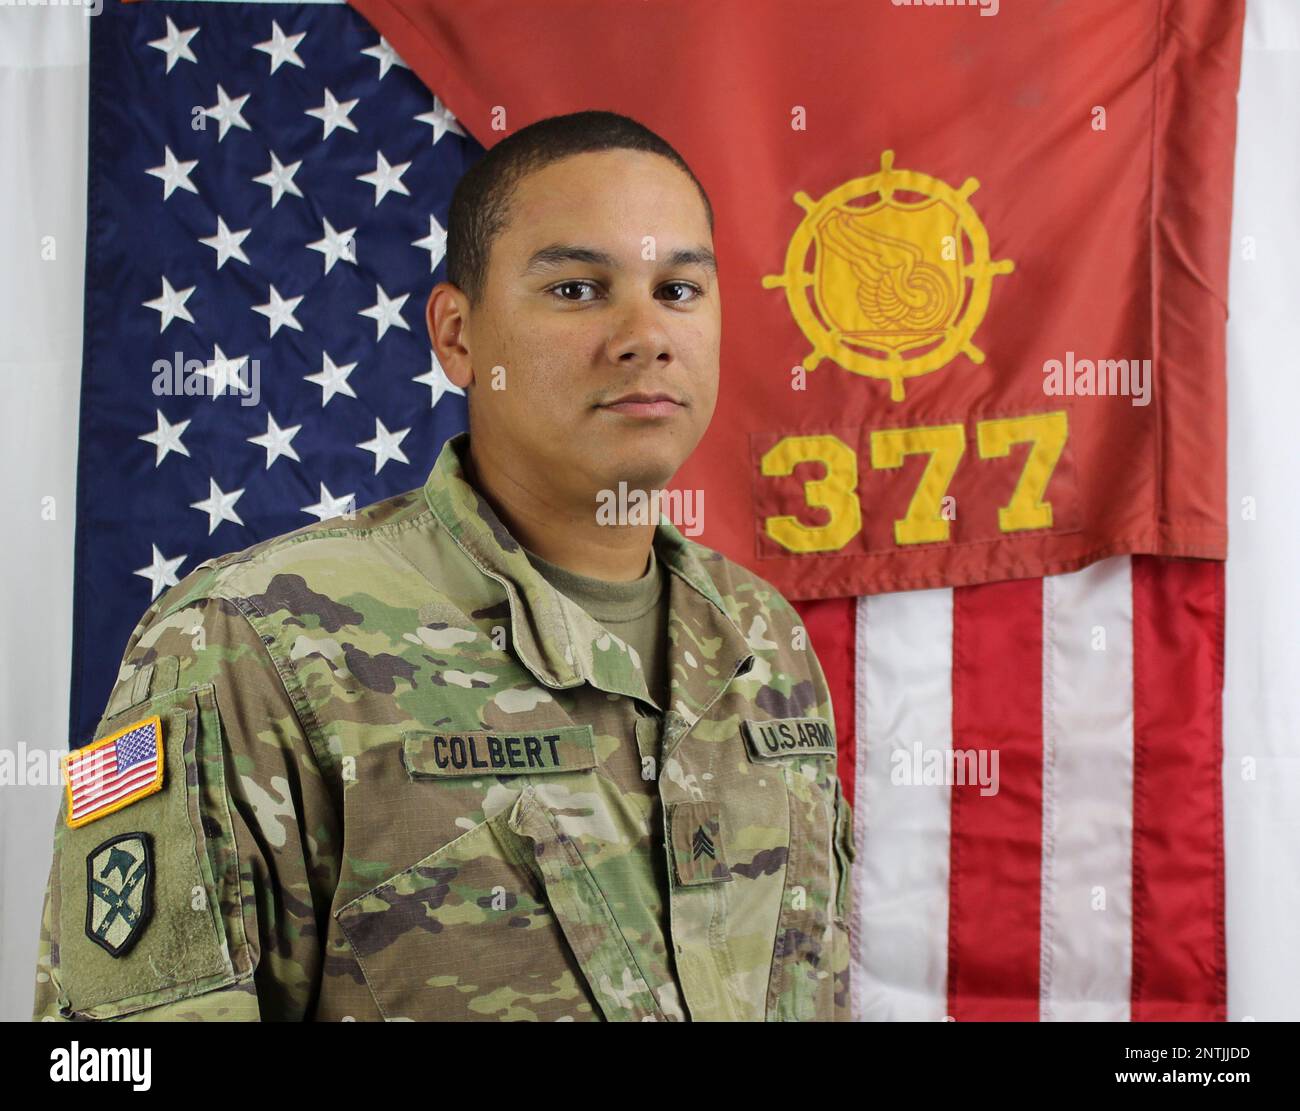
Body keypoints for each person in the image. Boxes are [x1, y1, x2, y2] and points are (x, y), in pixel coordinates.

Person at [33, 109, 854, 1022]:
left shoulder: (759, 638)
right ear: (458, 335)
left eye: (679, 289)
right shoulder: (251, 640)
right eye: (579, 288)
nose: (644, 334)